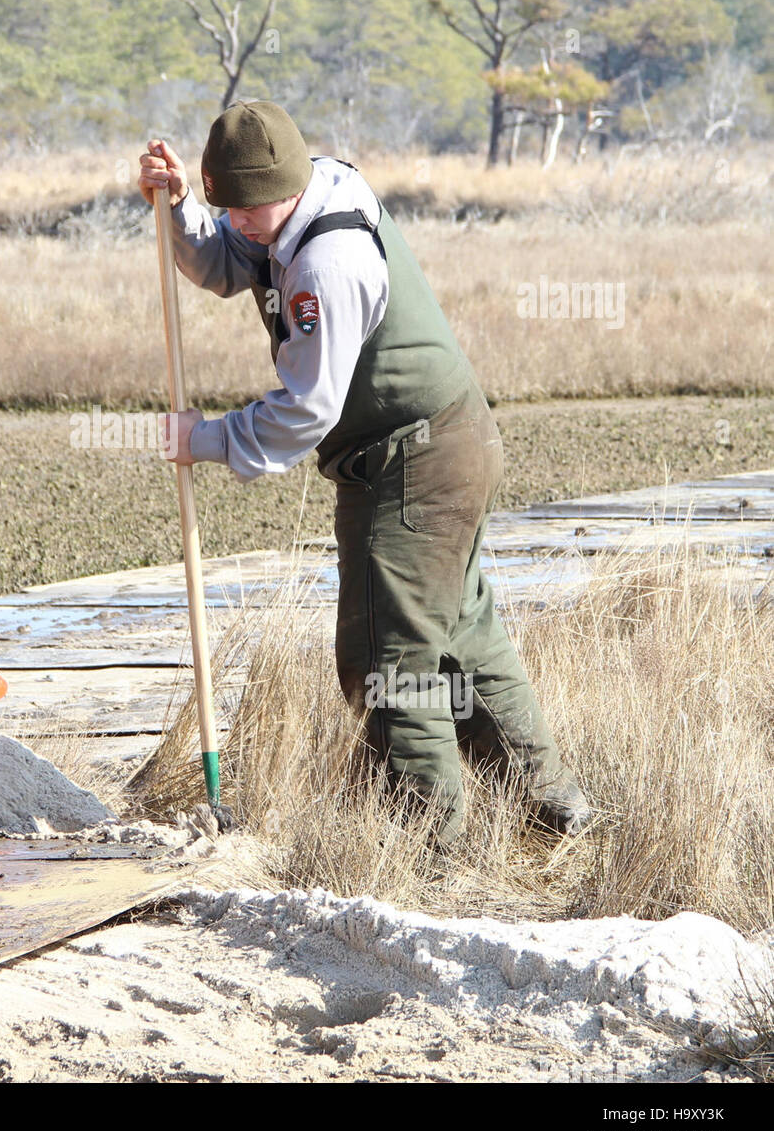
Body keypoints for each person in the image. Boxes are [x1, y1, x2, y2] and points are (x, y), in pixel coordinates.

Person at [138, 101, 590, 847]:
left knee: (387, 657)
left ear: (284, 185)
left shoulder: (326, 261)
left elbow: (306, 409)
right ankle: (553, 815)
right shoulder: (293, 204)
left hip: (415, 460)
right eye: (231, 209)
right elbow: (223, 263)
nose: (240, 225)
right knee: (459, 639)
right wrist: (182, 206)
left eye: (247, 211)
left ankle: (428, 848)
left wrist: (208, 439)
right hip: (441, 441)